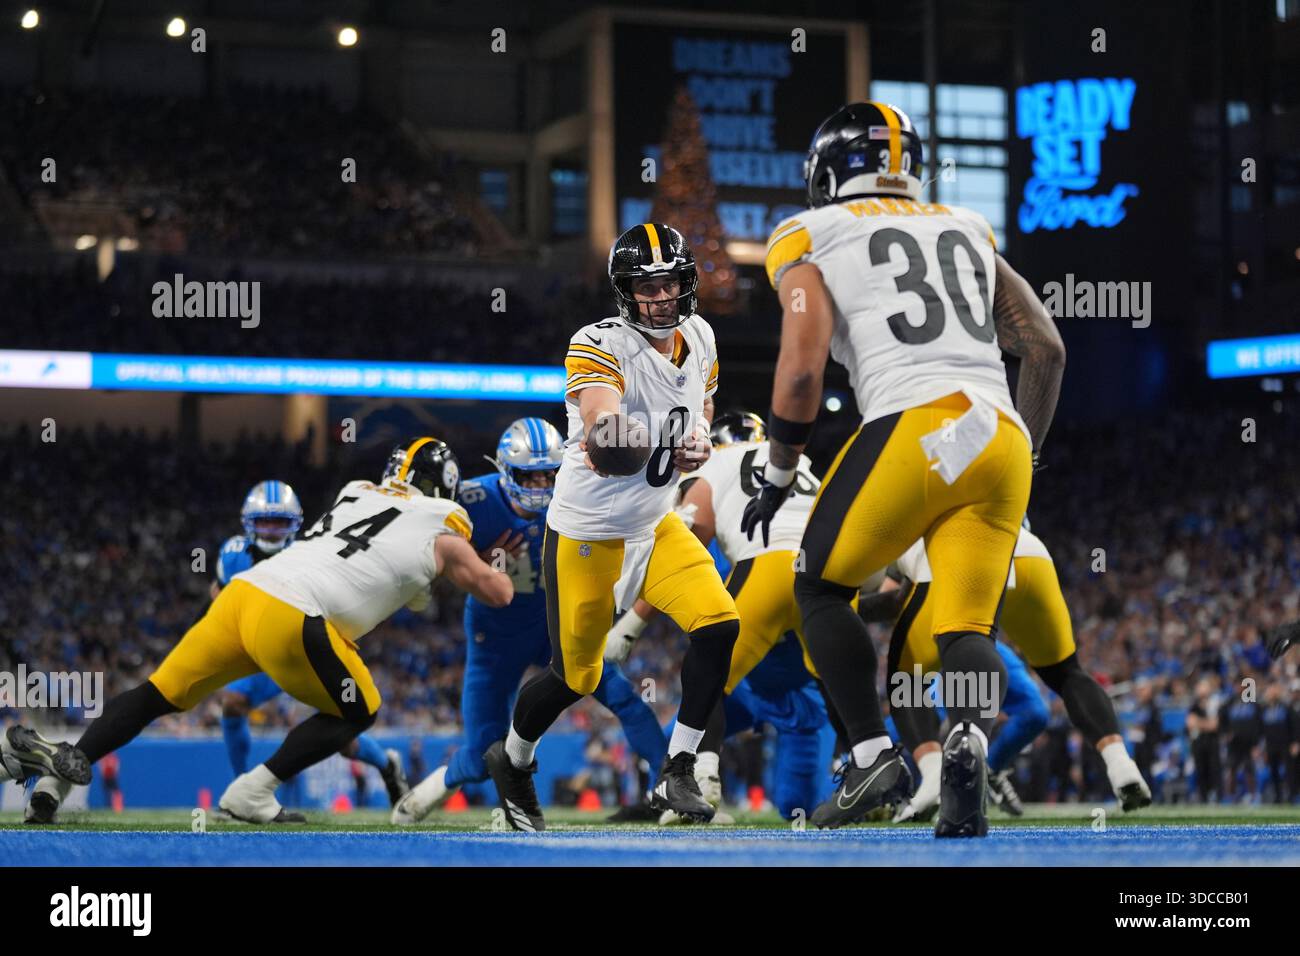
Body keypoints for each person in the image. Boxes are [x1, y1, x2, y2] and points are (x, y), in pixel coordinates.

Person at [743, 102, 1065, 836]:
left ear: (826, 175)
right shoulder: (965, 224)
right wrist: (1023, 457)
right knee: (964, 625)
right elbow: (1045, 348)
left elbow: (801, 368)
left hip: (915, 421)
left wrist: (779, 465)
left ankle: (870, 755)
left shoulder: (809, 231)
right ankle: (967, 745)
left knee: (820, 586)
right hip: (1002, 435)